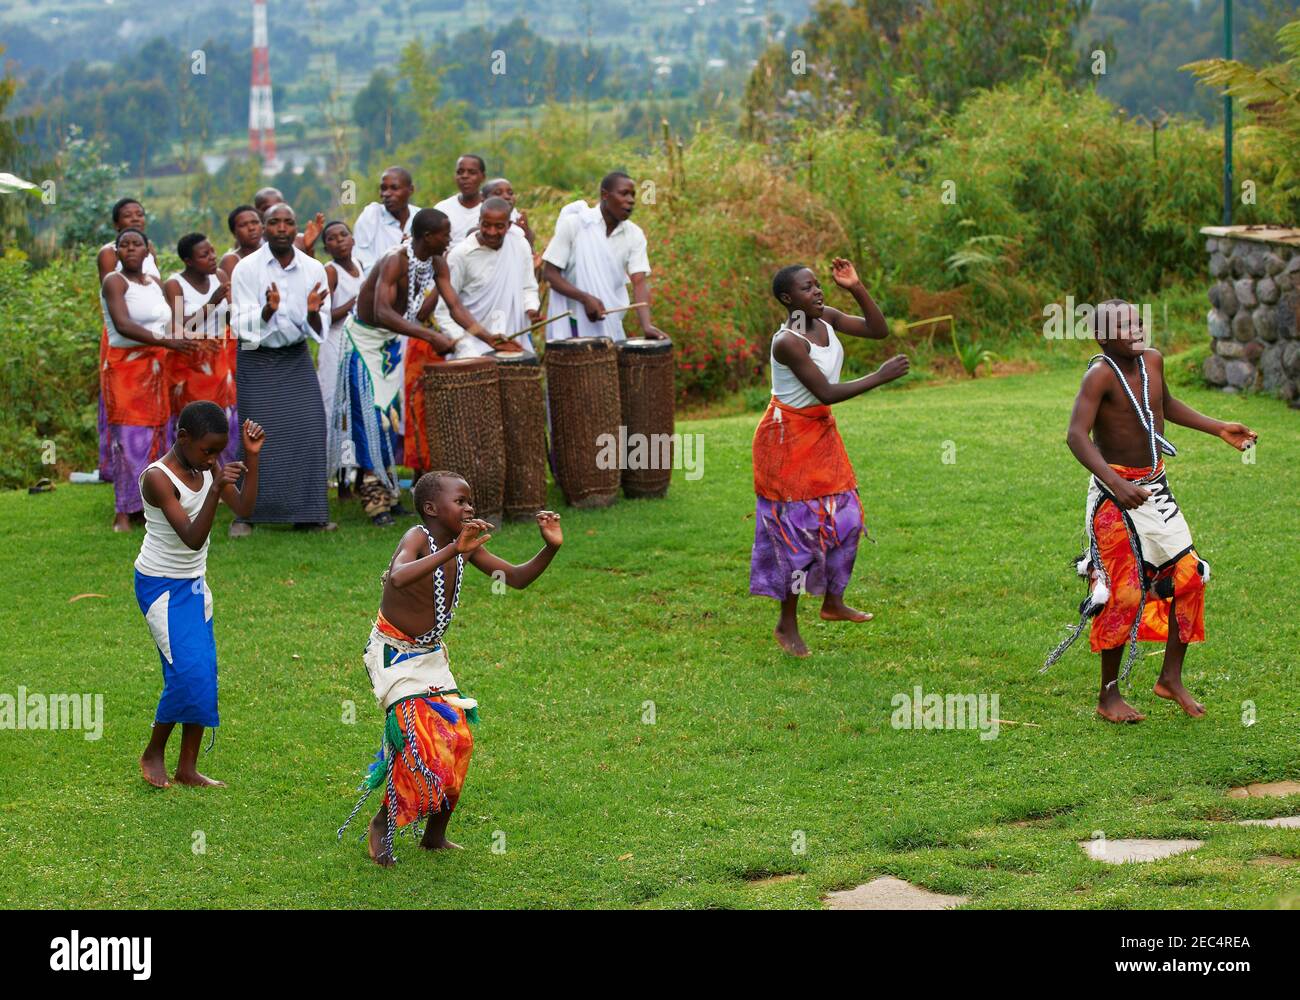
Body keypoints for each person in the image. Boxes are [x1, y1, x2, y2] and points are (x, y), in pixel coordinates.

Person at [1043, 301, 1257, 723]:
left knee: (1191, 576)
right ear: (1103, 338)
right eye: (1124, 327)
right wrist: (1118, 485)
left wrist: (1217, 427)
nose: (1137, 330)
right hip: (1114, 492)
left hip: (1154, 487)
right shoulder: (1100, 375)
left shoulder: (1153, 361)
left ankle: (1170, 678)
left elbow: (1164, 406)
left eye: (1138, 321)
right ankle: (1109, 696)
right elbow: (1075, 436)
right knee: (1122, 592)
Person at [337, 471, 562, 865]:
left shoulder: (467, 548)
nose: (469, 507)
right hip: (393, 653)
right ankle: (382, 823)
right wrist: (453, 550)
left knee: (458, 740)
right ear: (431, 509)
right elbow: (398, 577)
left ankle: (434, 835)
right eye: (460, 501)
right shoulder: (418, 538)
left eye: (469, 501)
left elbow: (517, 578)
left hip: (430, 656)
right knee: (422, 742)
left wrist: (550, 548)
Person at [750, 260, 909, 657]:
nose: (818, 292)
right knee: (797, 534)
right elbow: (826, 392)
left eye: (819, 285)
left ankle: (832, 602)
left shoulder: (828, 319)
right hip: (787, 438)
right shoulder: (787, 342)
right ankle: (787, 624)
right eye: (808, 288)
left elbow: (878, 330)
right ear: (788, 299)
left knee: (847, 519)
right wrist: (880, 376)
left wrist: (855, 286)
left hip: (819, 432)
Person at [328, 208, 490, 524]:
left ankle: (387, 491)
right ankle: (375, 502)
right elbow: (382, 311)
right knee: (371, 418)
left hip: (388, 345)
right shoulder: (395, 260)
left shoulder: (436, 261)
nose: (449, 239)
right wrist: (430, 336)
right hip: (363, 343)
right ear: (428, 237)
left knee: (389, 417)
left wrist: (488, 337)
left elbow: (454, 305)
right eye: (445, 233)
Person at [135, 402, 263, 788]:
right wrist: (218, 486)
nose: (214, 458)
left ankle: (187, 768)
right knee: (185, 673)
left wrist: (252, 461)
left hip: (193, 584)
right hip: (159, 585)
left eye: (220, 451)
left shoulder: (206, 467)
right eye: (208, 450)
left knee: (203, 673)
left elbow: (244, 507)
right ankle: (153, 752)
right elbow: (191, 539)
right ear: (183, 437)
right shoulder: (157, 479)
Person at [228, 203, 334, 535]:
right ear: (264, 227)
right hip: (257, 358)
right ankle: (247, 515)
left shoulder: (313, 268)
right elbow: (240, 323)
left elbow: (320, 326)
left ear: (295, 228)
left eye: (289, 222)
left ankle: (309, 514)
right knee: (255, 434)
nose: (282, 228)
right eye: (274, 222)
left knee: (310, 427)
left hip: (295, 357)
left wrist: (313, 312)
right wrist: (267, 312)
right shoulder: (246, 268)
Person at [101, 229, 202, 531]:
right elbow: (123, 324)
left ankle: (151, 505)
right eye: (125, 245)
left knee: (158, 435)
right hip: (126, 368)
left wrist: (191, 338)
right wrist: (168, 342)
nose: (131, 249)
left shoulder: (154, 283)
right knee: (130, 436)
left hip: (158, 367)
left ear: (147, 251)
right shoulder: (114, 281)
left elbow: (170, 320)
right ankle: (123, 512)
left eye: (137, 245)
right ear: (116, 251)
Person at [541, 171, 667, 342]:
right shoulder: (576, 225)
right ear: (605, 195)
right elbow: (549, 273)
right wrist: (584, 298)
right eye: (624, 194)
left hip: (611, 322)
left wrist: (646, 326)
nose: (630, 200)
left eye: (633, 195)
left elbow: (639, 281)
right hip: (572, 324)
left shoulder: (634, 234)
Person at [96, 198, 163, 486]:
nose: (135, 218)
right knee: (125, 406)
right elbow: (118, 296)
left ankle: (153, 469)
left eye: (140, 213)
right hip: (126, 332)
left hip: (155, 336)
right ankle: (119, 469)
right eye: (127, 215)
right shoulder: (109, 255)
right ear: (116, 224)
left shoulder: (151, 252)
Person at [163, 233, 239, 466]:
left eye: (213, 251)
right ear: (188, 260)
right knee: (196, 421)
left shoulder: (220, 276)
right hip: (190, 359)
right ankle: (188, 474)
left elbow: (230, 314)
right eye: (204, 255)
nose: (212, 257)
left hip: (219, 355)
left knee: (226, 416)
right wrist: (212, 302)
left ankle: (224, 474)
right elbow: (179, 324)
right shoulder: (175, 284)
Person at [434, 197, 539, 359]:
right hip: (473, 353)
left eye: (499, 226)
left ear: (508, 226)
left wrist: (531, 308)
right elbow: (443, 311)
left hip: (515, 347)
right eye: (486, 225)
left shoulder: (519, 245)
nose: (491, 232)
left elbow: (528, 287)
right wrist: (465, 348)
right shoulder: (461, 255)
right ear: (479, 222)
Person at [434, 155, 518, 245]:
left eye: (472, 172)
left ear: (483, 176)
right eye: (460, 172)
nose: (465, 176)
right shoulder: (442, 209)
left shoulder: (499, 210)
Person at [351, 167, 420, 264]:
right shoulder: (371, 216)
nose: (386, 194)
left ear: (411, 190)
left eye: (394, 188)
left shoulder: (420, 218)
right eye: (383, 188)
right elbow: (361, 261)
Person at [254, 186, 323, 255]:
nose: (273, 212)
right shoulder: (250, 242)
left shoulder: (300, 240)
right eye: (267, 208)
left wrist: (307, 248)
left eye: (278, 206)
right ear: (256, 211)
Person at [479, 177, 535, 248]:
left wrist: (526, 233)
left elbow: (529, 254)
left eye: (510, 193)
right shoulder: (476, 228)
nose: (507, 197)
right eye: (498, 193)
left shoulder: (519, 220)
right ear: (483, 198)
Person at [218, 204, 263, 280]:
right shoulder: (231, 260)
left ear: (263, 227)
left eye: (255, 222)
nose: (251, 228)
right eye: (243, 225)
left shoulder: (272, 253)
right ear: (234, 233)